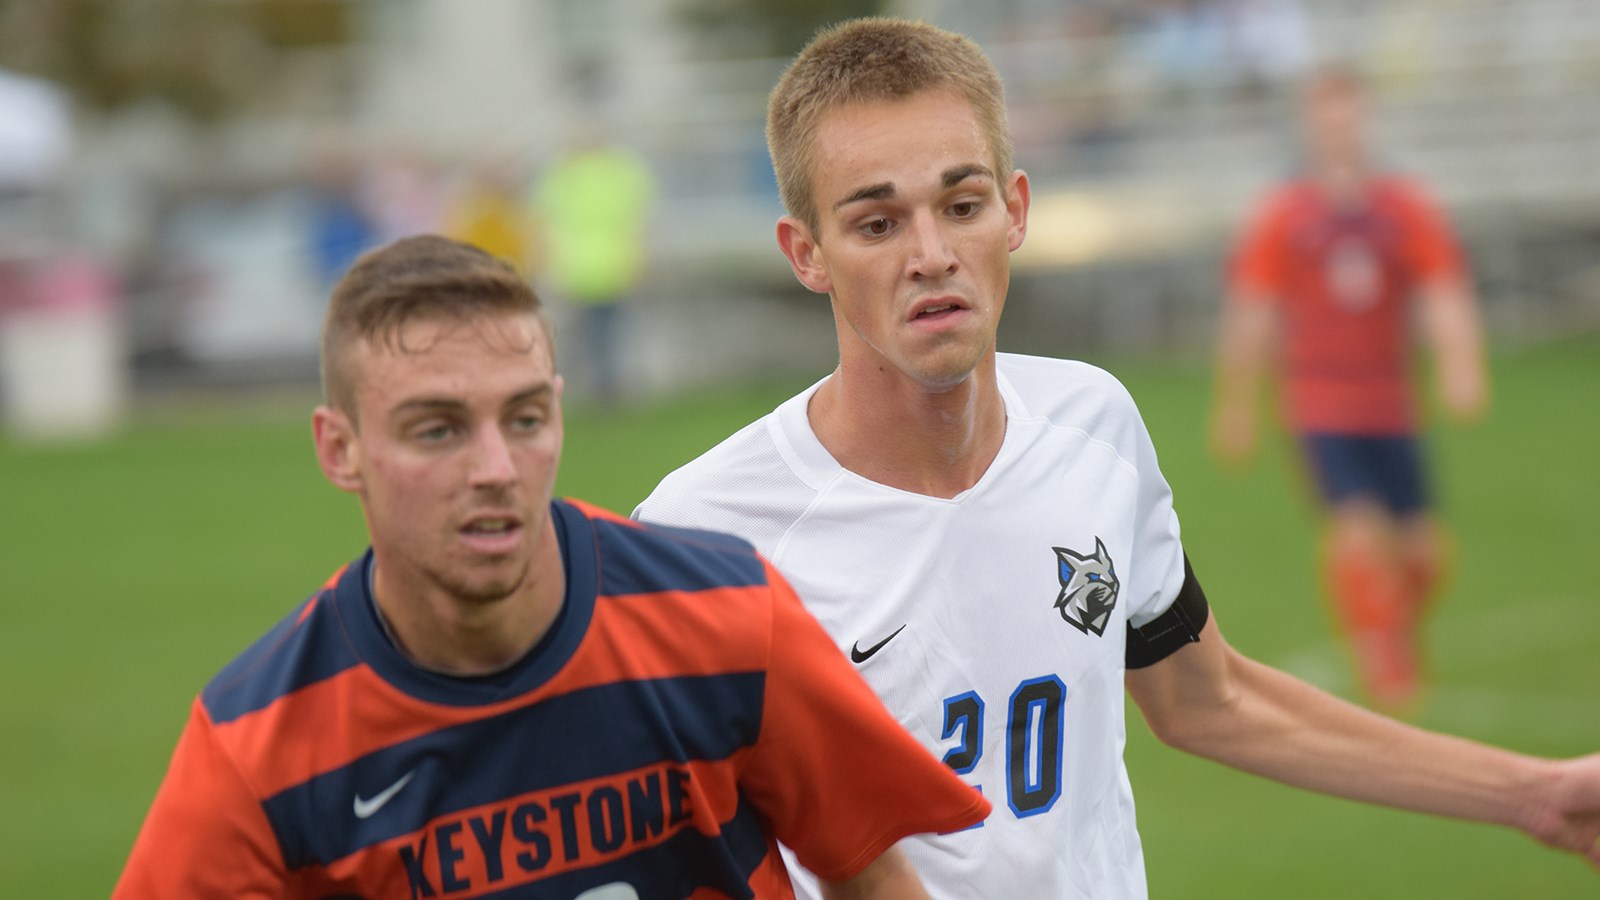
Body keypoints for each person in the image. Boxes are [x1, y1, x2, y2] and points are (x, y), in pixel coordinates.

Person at [632, 17, 1600, 900]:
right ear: (805, 252)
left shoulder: (1094, 425)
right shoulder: (702, 535)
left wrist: (1534, 794)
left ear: (1015, 210)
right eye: (876, 223)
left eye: (961, 204)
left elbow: (1207, 697)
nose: (931, 253)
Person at [113, 235, 989, 898]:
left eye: (525, 418)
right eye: (437, 429)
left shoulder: (728, 615)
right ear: (340, 449)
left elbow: (870, 873)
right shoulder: (258, 744)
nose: (496, 468)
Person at [1209, 65, 1490, 709]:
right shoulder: (1284, 214)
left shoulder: (1404, 207)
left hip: (1392, 402)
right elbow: (1252, 311)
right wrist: (1237, 406)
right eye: (1325, 118)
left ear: (1366, 121)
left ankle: (1390, 625)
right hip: (1319, 400)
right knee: (1358, 531)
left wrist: (1461, 364)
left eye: (1349, 115)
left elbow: (1443, 289)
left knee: (1425, 553)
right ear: (1309, 126)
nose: (1338, 129)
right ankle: (1382, 657)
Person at [533, 125, 655, 407]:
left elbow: (544, 222)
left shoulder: (563, 173)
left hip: (586, 267)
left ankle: (597, 386)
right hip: (603, 266)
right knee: (603, 334)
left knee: (595, 334)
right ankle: (603, 386)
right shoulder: (619, 170)